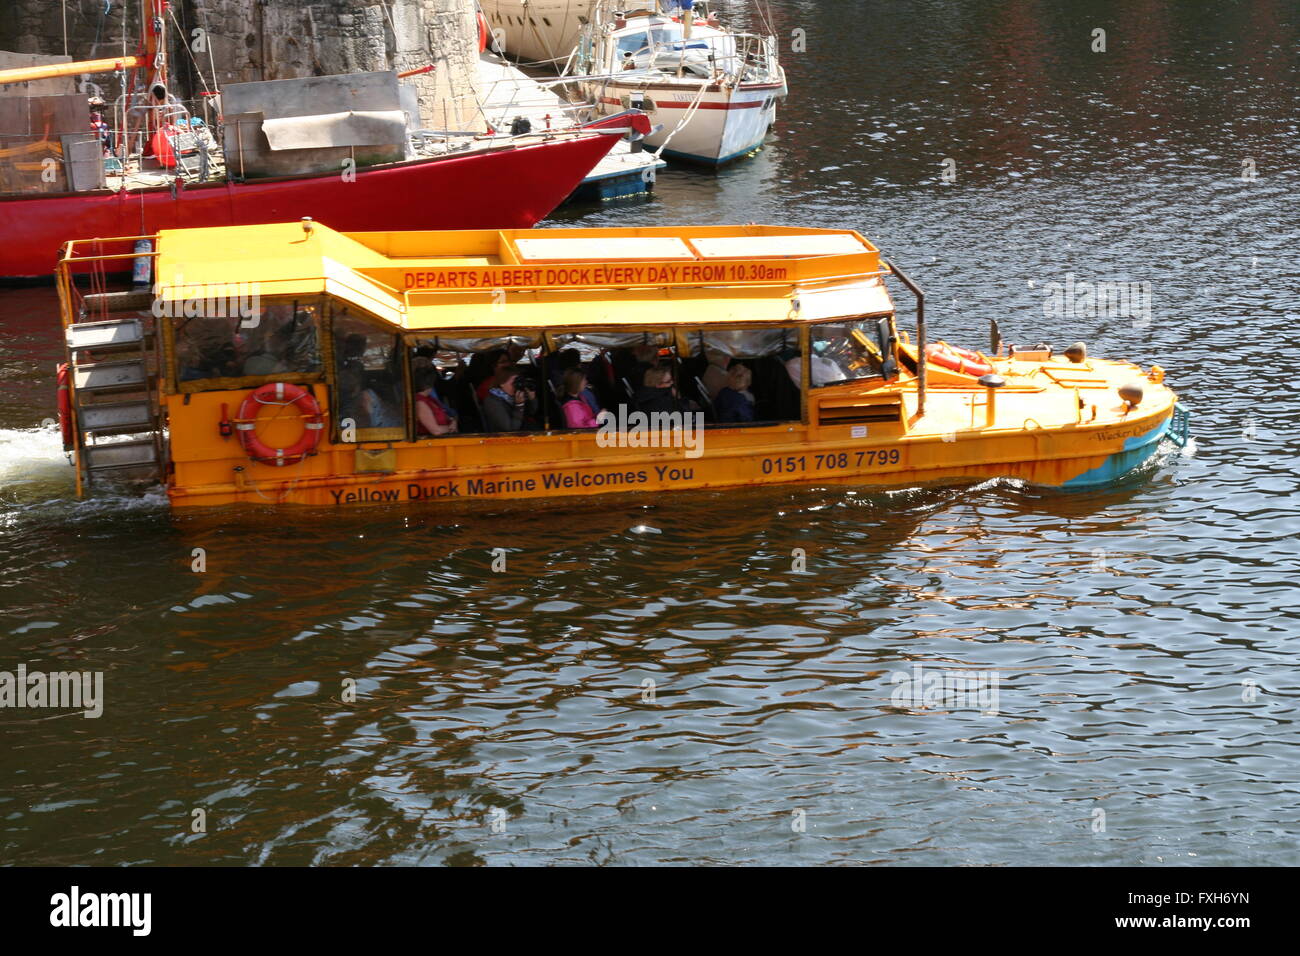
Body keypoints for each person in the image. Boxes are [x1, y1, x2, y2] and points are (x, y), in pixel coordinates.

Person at [482, 366, 536, 432]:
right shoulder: (492, 402)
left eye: (518, 382)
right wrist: (519, 406)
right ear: (502, 383)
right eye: (514, 383)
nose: (517, 386)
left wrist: (532, 399)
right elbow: (510, 428)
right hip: (503, 438)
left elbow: (531, 412)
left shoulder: (512, 397)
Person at [414, 368, 458, 437]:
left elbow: (448, 417)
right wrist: (450, 428)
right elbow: (436, 431)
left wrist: (453, 421)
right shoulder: (420, 403)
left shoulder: (430, 399)